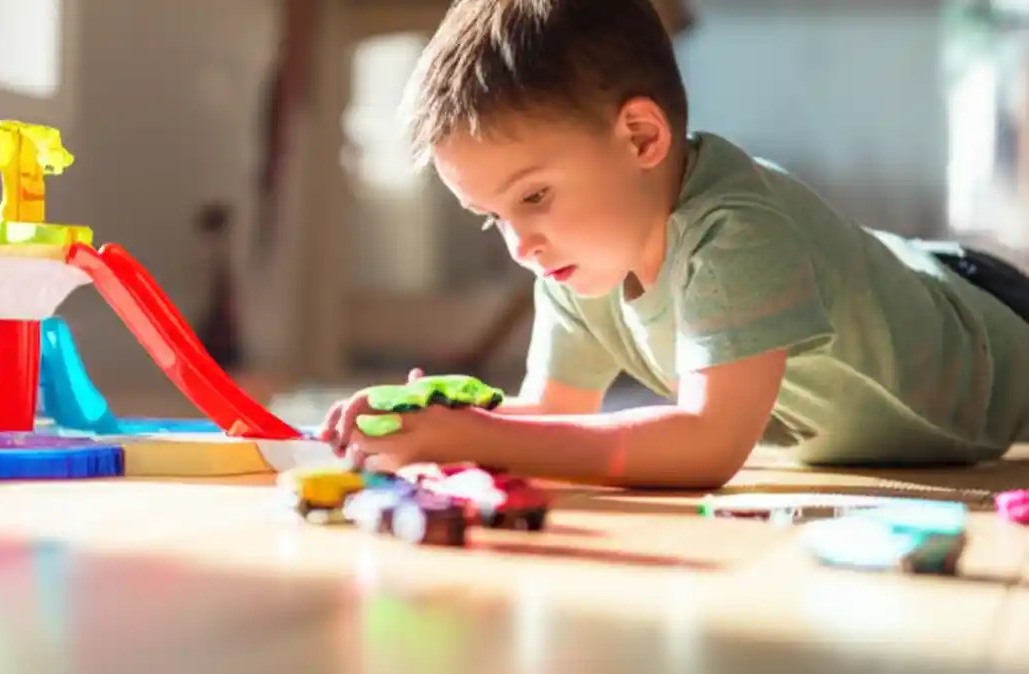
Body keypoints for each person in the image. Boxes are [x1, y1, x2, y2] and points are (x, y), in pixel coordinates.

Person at [318, 0, 1029, 488]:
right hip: (907, 280)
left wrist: (477, 442)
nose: (519, 245)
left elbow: (707, 444)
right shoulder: (570, 264)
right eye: (491, 216)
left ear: (641, 137)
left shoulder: (731, 234)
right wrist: (443, 422)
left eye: (533, 197)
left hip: (994, 342)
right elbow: (554, 414)